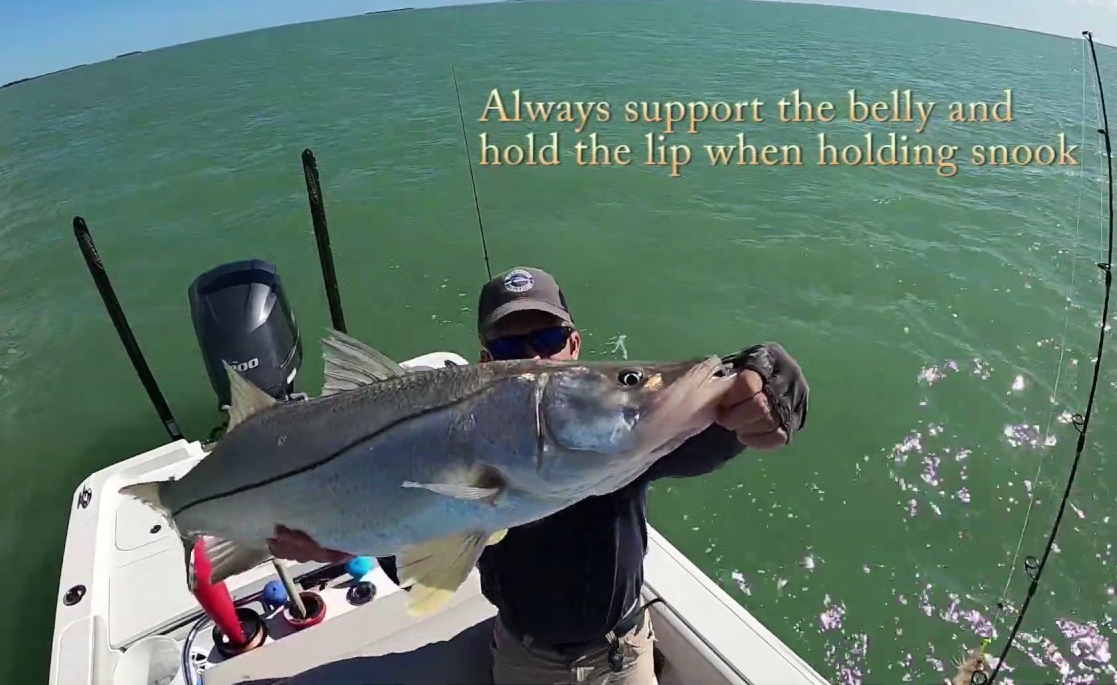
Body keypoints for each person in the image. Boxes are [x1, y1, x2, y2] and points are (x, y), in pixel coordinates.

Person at [266, 266, 810, 685]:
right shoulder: (461, 444)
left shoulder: (621, 438)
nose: (536, 360)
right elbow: (416, 554)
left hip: (625, 650)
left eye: (549, 341)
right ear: (485, 360)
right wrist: (342, 538)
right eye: (510, 348)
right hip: (524, 660)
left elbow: (713, 433)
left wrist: (771, 384)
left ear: (574, 344)